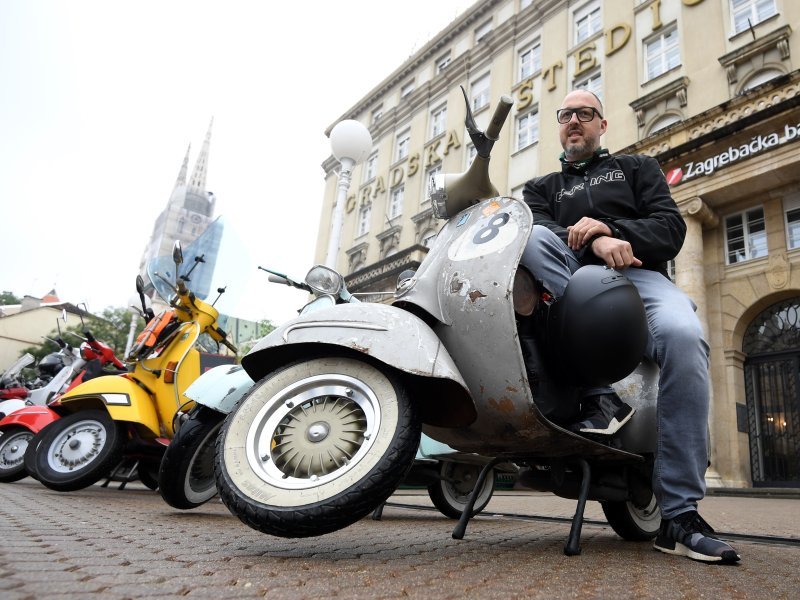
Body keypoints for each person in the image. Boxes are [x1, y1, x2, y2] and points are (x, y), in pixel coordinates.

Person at [520, 89, 740, 564]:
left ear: (602, 125)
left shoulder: (639, 168)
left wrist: (611, 231)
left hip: (641, 280)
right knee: (533, 235)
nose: (574, 121)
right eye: (566, 115)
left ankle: (679, 515)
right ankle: (598, 394)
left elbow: (671, 230)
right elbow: (537, 236)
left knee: (685, 337)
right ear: (559, 127)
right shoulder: (542, 188)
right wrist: (593, 245)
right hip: (575, 284)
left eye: (585, 114)